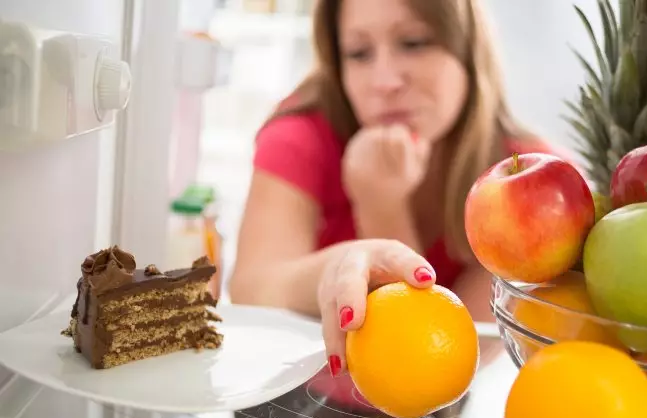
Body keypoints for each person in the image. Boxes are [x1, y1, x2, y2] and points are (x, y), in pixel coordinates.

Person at [230, 0, 565, 377]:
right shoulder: (300, 135)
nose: (385, 82)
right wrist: (333, 273)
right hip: (289, 397)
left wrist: (381, 206)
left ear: (467, 48)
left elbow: (437, 364)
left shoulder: (531, 183)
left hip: (428, 417)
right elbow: (250, 291)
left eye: (414, 43)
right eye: (358, 53)